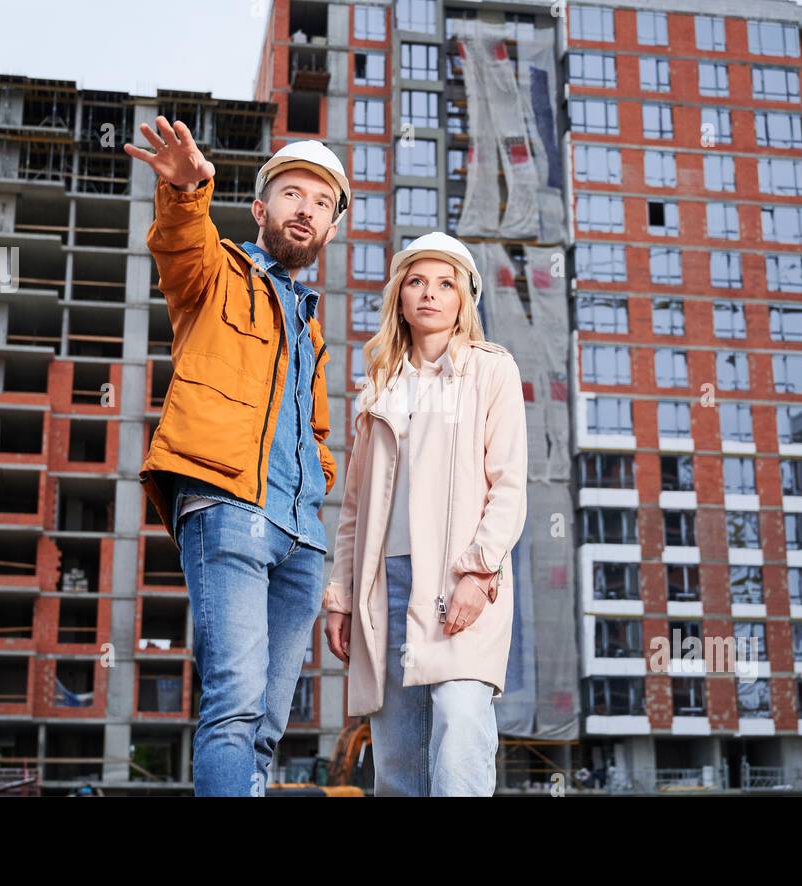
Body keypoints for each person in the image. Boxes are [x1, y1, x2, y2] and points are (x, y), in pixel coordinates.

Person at [125, 119, 348, 796]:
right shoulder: (214, 273)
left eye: (322, 202)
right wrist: (188, 189)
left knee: (269, 723)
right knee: (235, 699)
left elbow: (316, 437)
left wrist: (315, 501)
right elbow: (177, 242)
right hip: (227, 508)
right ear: (261, 208)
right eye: (292, 194)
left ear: (332, 228)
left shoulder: (309, 326)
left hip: (301, 539)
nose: (305, 208)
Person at [322, 232, 528, 796]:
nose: (430, 294)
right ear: (400, 298)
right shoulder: (379, 391)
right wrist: (341, 597)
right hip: (384, 589)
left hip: (460, 582)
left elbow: (509, 483)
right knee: (396, 761)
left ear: (464, 298)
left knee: (460, 738)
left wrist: (479, 572)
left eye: (445, 283)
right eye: (416, 282)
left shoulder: (492, 370)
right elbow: (355, 509)